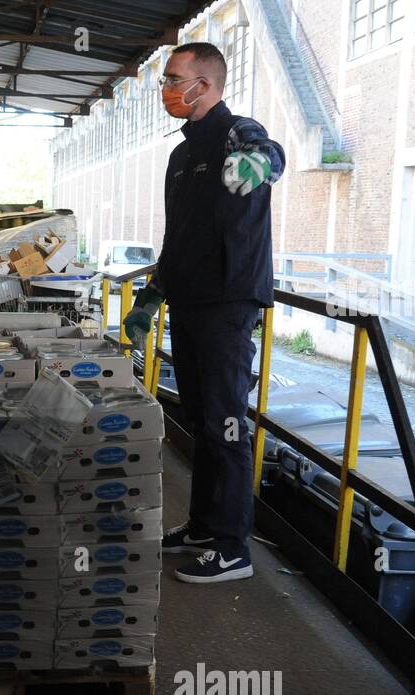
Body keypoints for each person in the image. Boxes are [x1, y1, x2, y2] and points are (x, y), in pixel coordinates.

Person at [123, 42, 285, 584]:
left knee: (227, 424)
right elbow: (179, 236)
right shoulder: (181, 155)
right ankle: (202, 526)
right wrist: (151, 296)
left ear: (205, 86)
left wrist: (258, 163)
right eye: (166, 80)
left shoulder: (237, 132)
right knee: (200, 422)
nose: (167, 90)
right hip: (189, 302)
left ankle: (234, 547)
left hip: (227, 302)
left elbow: (270, 152)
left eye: (174, 79)